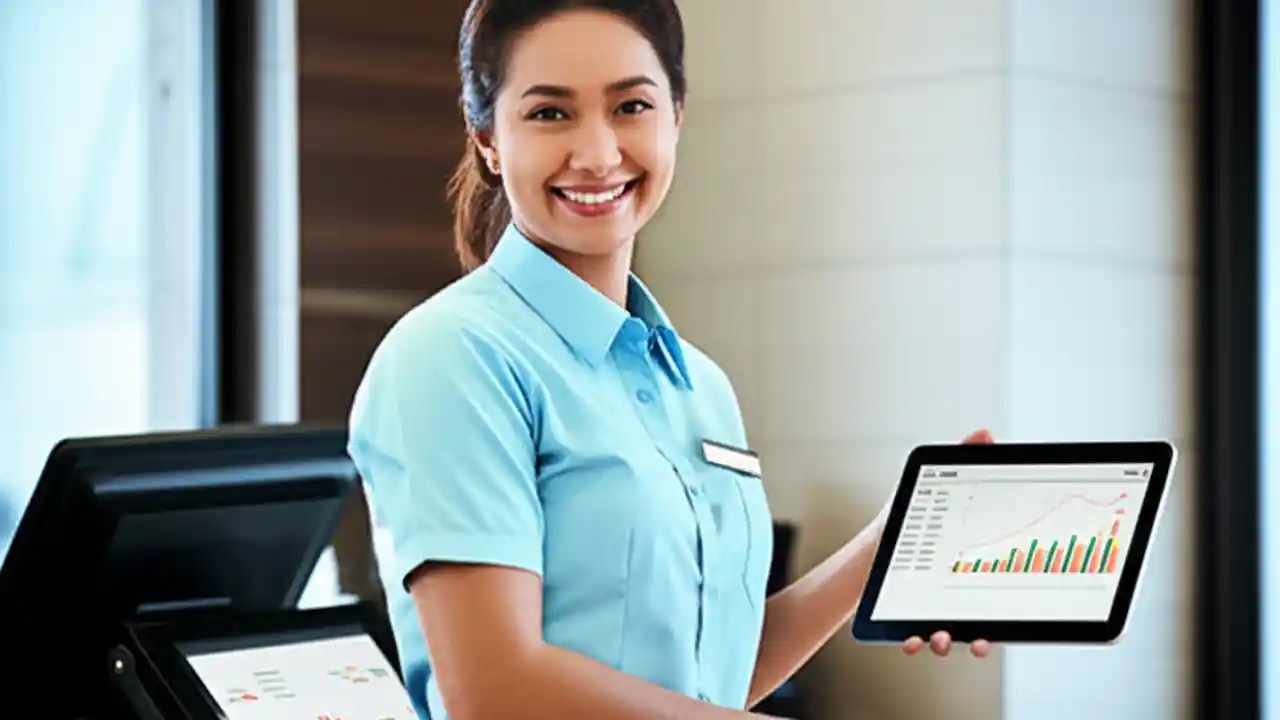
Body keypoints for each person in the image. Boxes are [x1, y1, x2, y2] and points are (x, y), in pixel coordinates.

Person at [346, 2, 992, 718]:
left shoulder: (699, 383)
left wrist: (883, 546)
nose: (597, 154)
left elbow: (704, 679)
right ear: (489, 141)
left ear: (675, 118)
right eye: (550, 114)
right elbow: (497, 692)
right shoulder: (451, 358)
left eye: (631, 106)